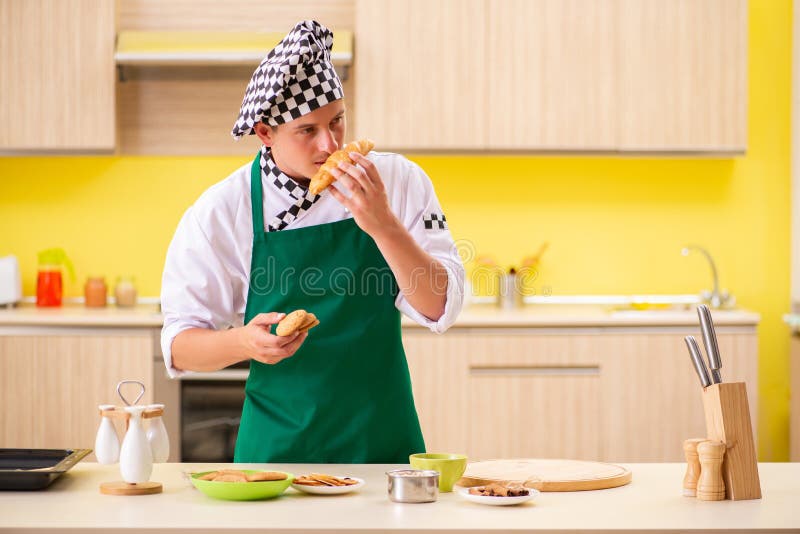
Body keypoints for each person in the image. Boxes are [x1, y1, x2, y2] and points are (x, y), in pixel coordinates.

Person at [161, 20, 464, 463]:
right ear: (265, 133)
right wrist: (244, 342)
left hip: (382, 449)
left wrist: (382, 224)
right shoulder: (224, 210)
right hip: (276, 459)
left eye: (338, 121)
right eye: (308, 130)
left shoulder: (397, 181)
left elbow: (442, 307)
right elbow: (180, 346)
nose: (331, 144)